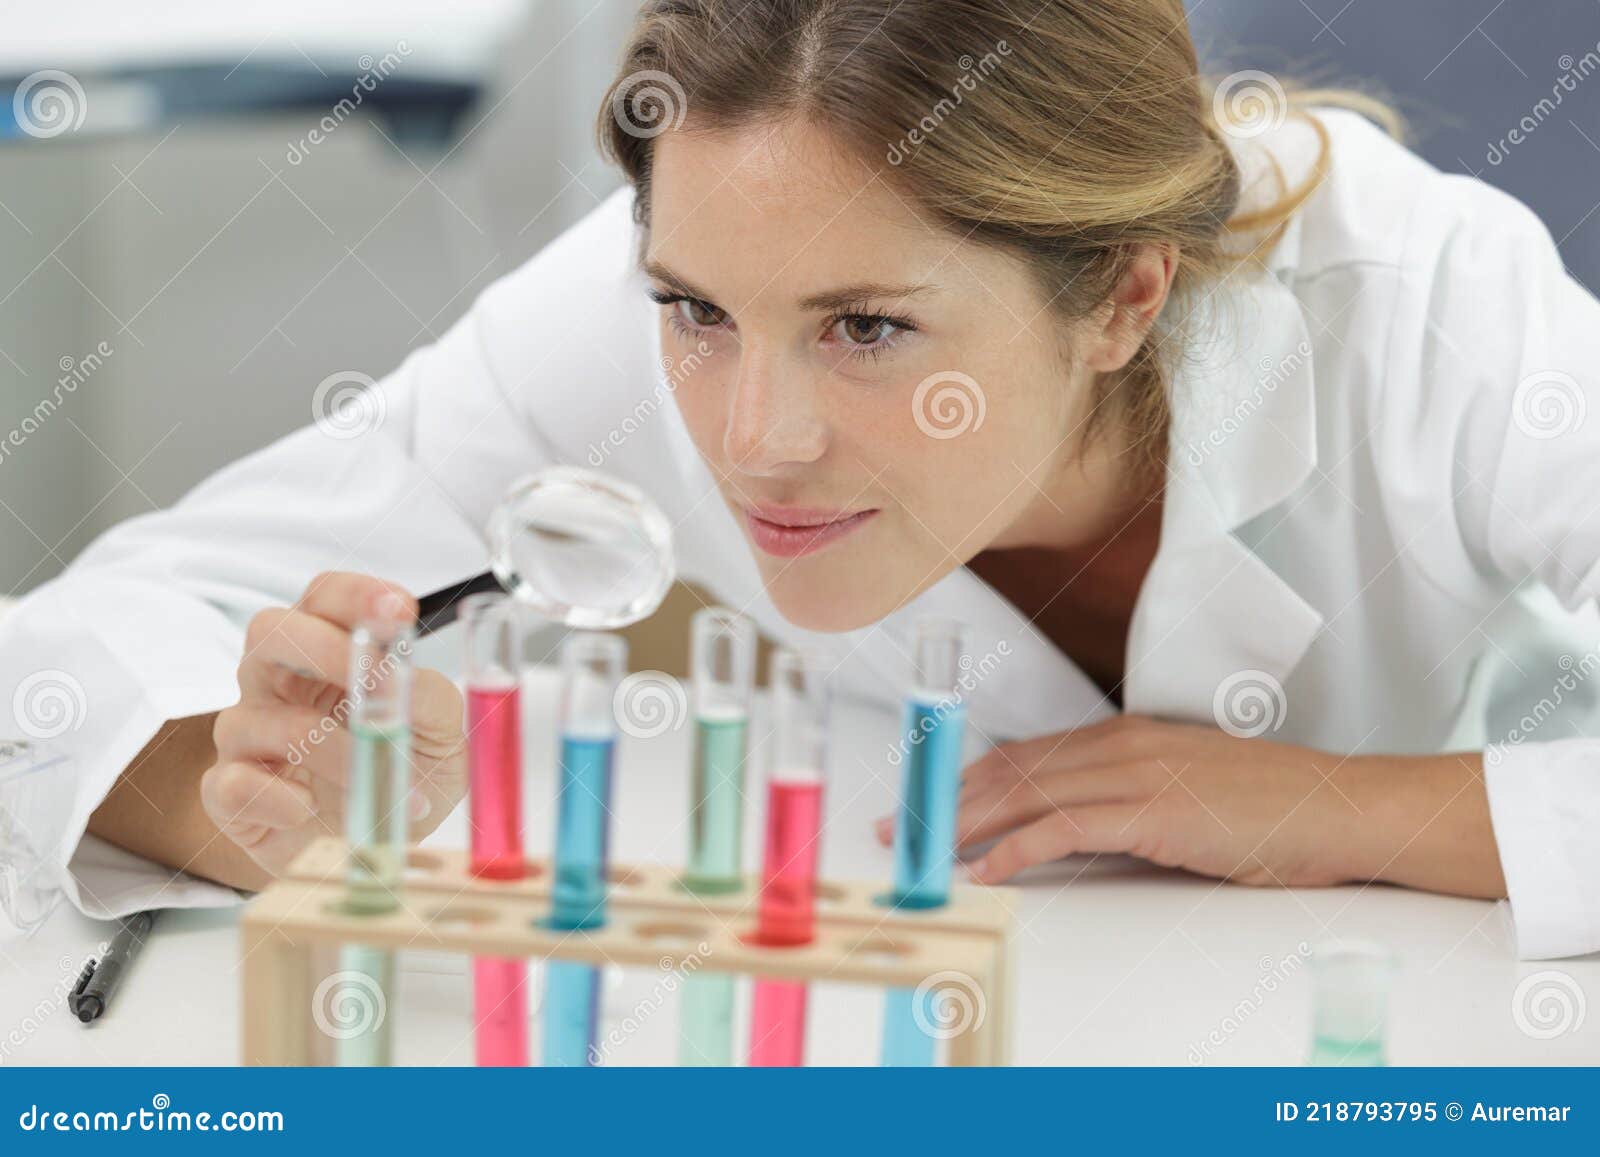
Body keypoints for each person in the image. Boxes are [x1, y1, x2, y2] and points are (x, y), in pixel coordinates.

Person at [3, 0, 1597, 960]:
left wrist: (1342, 808)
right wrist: (253, 794)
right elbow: (82, 634)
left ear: (1122, 293)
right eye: (697, 309)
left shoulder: (1427, 305)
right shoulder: (623, 317)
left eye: (871, 329)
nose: (753, 433)